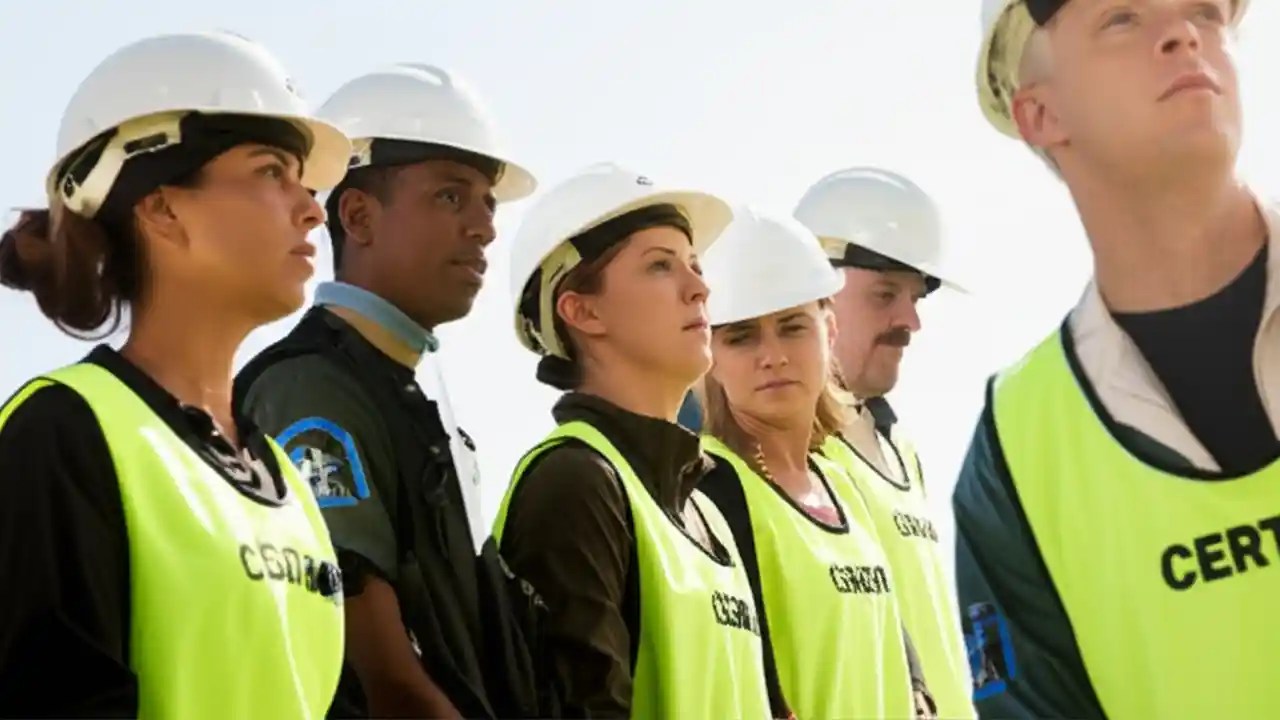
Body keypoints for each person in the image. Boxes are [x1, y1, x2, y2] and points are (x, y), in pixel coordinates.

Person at [0, 31, 351, 718]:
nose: (313, 208)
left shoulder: (287, 479)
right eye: (271, 172)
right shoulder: (58, 435)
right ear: (161, 208)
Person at [957, 0, 1276, 717]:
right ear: (1041, 114)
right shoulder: (1015, 453)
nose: (1183, 34)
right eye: (1123, 18)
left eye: (1205, 11)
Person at [234, 64, 554, 720]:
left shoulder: (408, 400)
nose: (485, 227)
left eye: (488, 204)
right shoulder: (309, 389)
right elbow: (379, 676)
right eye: (451, 196)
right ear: (358, 215)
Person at [491, 163, 775, 718]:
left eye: (694, 265)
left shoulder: (704, 510)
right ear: (582, 310)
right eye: (660, 265)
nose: (700, 288)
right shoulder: (573, 485)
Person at [695, 207, 936, 719]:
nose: (773, 355)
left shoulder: (842, 484)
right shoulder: (708, 489)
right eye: (741, 336)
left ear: (829, 330)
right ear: (710, 356)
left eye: (792, 328)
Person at [794, 167, 975, 719]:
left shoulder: (902, 450)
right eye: (885, 294)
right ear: (815, 295)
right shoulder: (783, 449)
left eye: (915, 297)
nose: (910, 320)